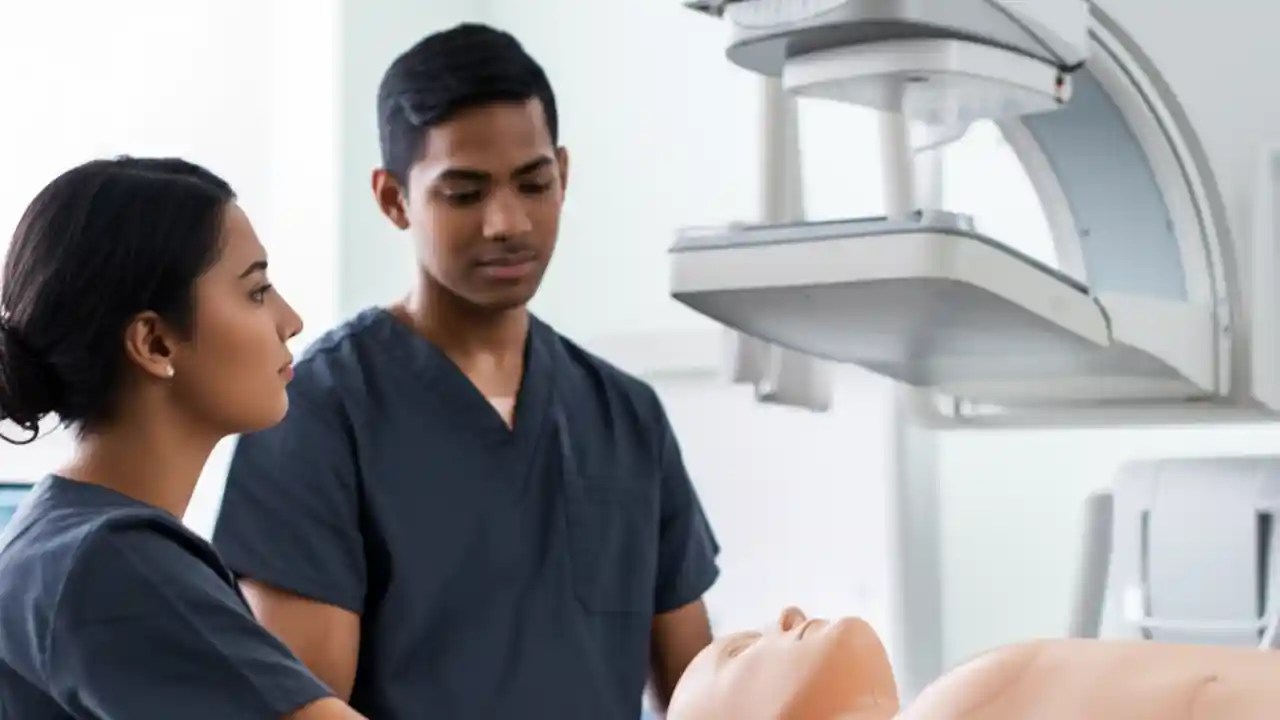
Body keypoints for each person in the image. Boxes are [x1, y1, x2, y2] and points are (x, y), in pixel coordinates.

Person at [211, 22, 722, 719]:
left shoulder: (625, 416)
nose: (506, 222)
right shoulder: (314, 412)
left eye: (533, 183)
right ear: (394, 199)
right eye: (465, 193)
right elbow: (299, 707)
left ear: (563, 176)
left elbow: (702, 690)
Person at [0, 157, 366, 719]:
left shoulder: (60, 543)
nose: (290, 320)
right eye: (256, 290)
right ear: (155, 343)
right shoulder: (115, 565)